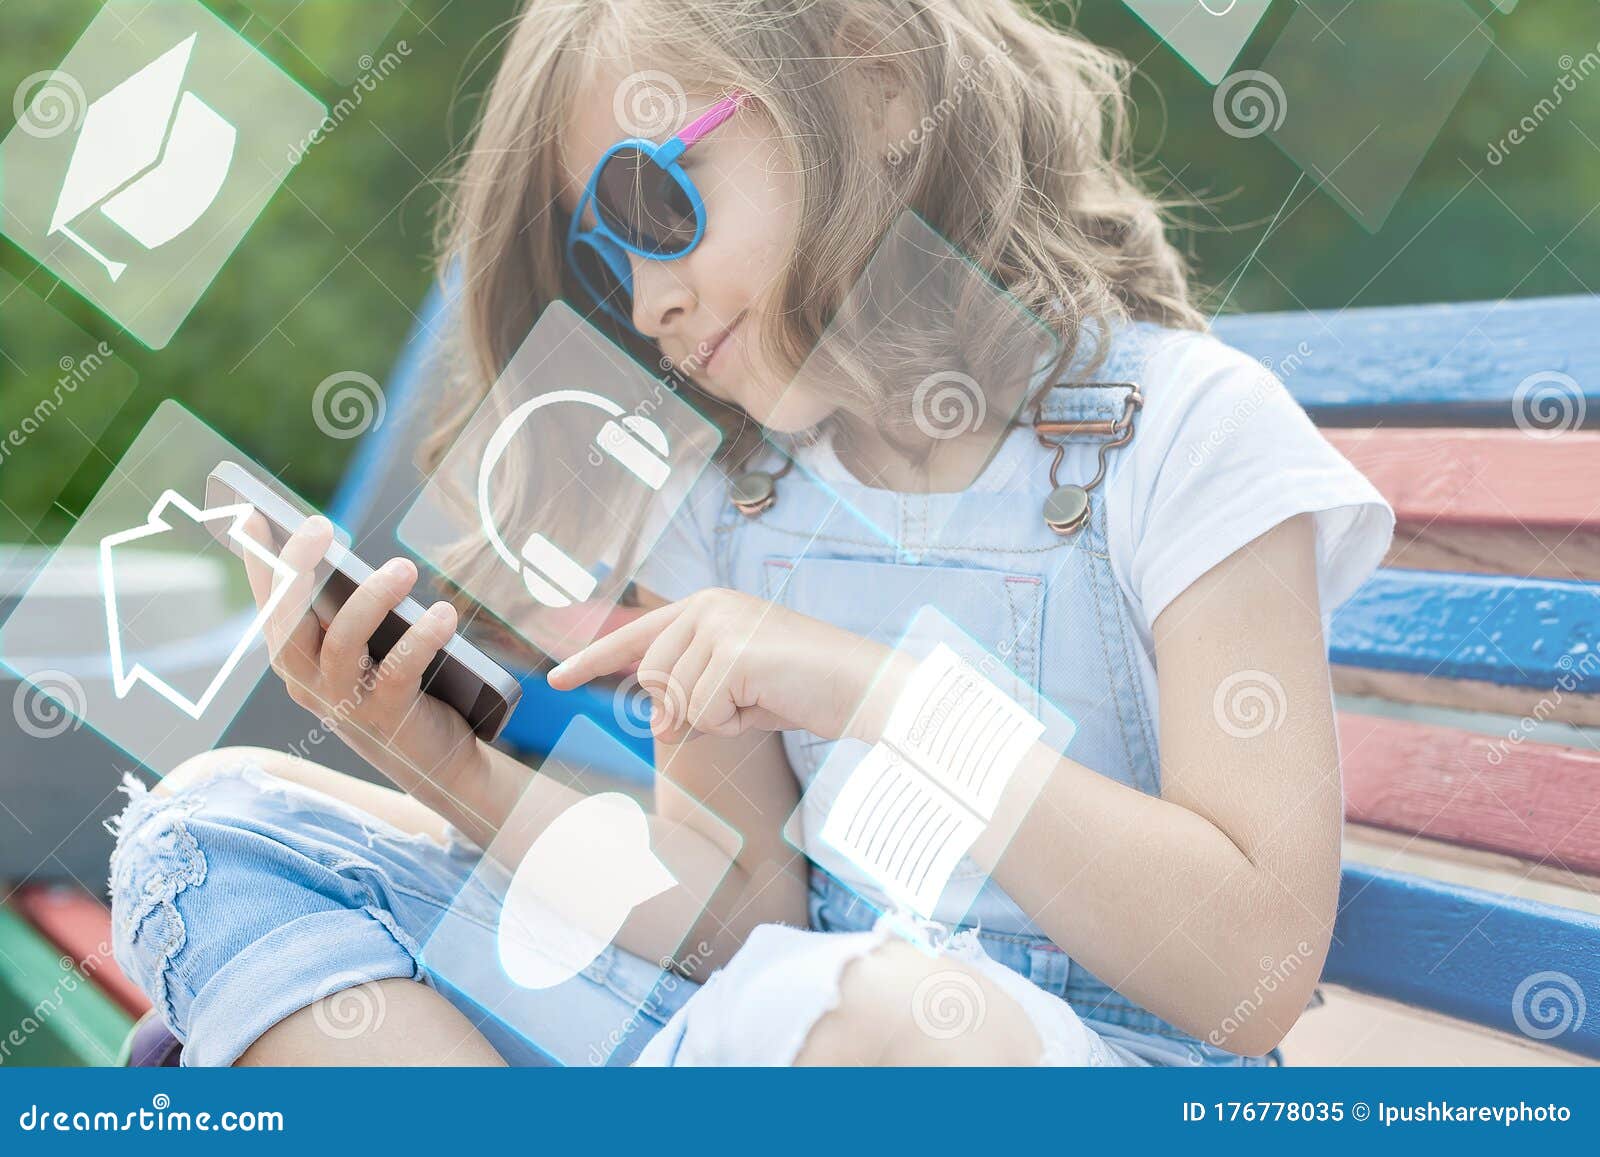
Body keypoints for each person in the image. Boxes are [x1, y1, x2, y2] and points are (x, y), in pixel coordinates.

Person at [109, 0, 1392, 1067]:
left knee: (869, 1008)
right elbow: (732, 923)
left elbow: (1255, 967)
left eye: (658, 207)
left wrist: (870, 691)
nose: (651, 298)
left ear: (878, 87)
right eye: (605, 262)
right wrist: (438, 756)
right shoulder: (735, 495)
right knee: (215, 827)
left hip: (1072, 1067)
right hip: (762, 1035)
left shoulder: (1181, 438)